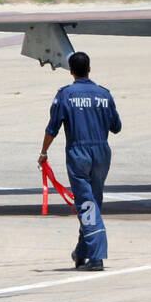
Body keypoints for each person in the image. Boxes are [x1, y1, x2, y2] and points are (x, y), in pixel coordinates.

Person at [38, 51, 121, 271]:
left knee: (86, 204)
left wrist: (44, 152)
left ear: (71, 71)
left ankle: (96, 256)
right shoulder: (104, 94)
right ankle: (82, 251)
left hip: (79, 153)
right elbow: (116, 127)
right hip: (102, 153)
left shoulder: (65, 95)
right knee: (93, 202)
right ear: (90, 69)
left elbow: (52, 127)